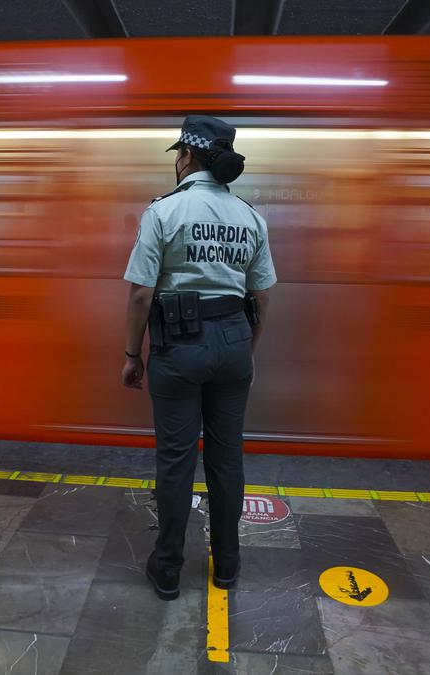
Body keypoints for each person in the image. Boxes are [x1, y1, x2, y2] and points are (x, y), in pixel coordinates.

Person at [120, 115, 277, 600]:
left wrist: (133, 355)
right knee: (227, 459)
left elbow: (142, 294)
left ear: (187, 156)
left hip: (178, 347)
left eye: (178, 154)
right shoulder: (250, 216)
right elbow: (263, 295)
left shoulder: (164, 212)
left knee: (175, 461)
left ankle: (167, 568)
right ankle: (226, 564)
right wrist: (243, 350)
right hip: (233, 343)